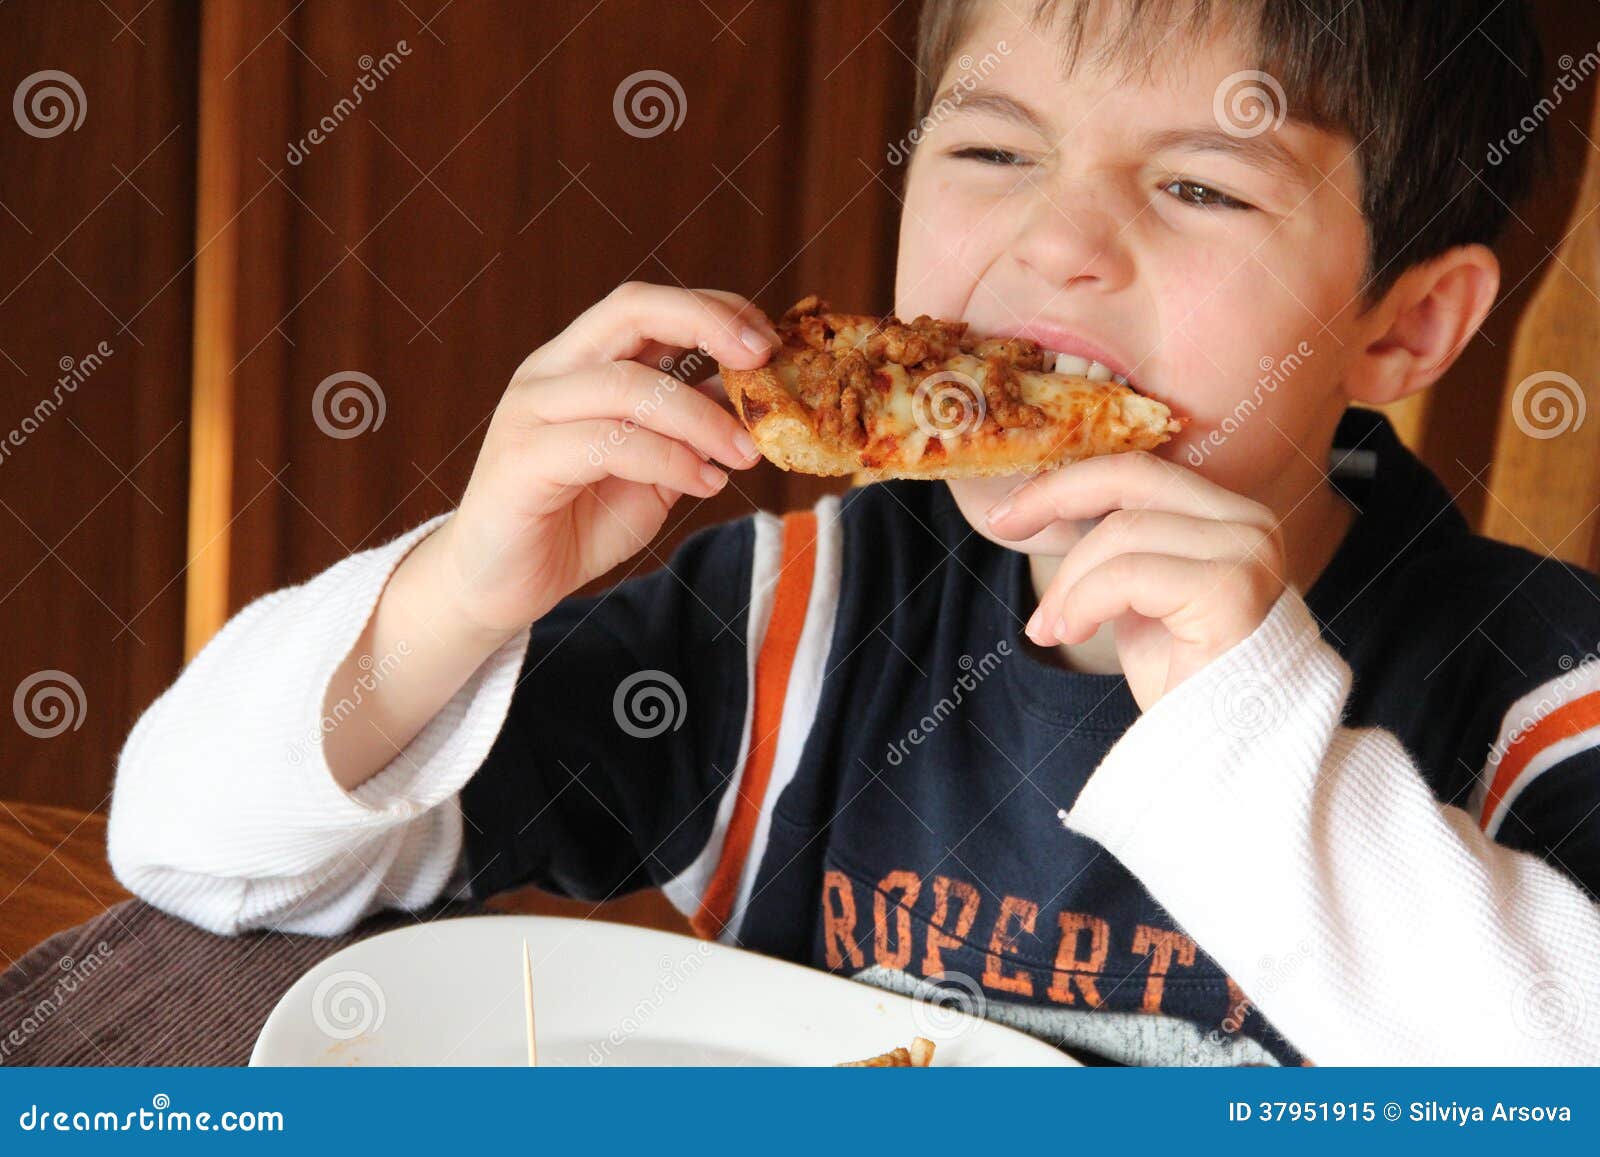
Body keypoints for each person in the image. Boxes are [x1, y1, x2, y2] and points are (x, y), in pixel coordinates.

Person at [109, 0, 1600, 1064]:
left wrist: (1243, 735)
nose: (1054, 246)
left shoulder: (1538, 692)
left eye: (1199, 184)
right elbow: (200, 857)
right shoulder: (801, 618)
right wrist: (456, 594)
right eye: (992, 153)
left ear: (1405, 327)